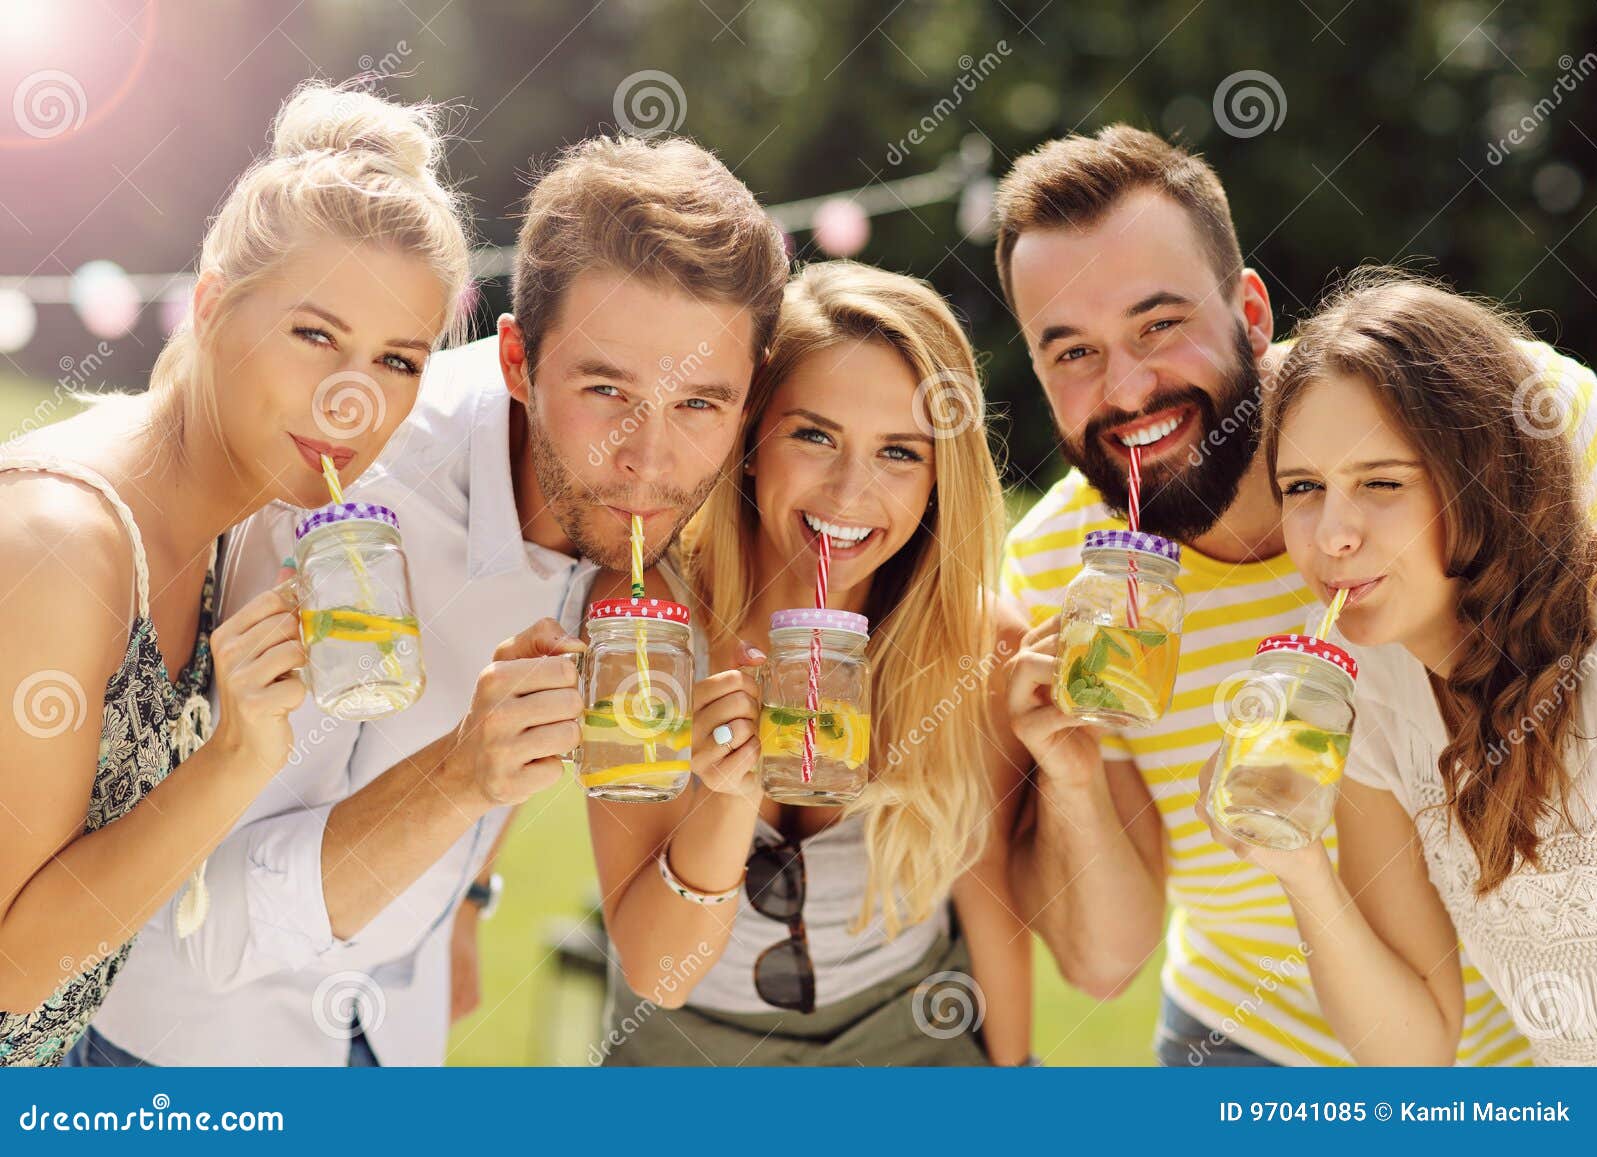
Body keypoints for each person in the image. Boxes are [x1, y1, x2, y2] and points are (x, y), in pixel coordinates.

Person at [66, 128, 788, 1066]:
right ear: (518, 361)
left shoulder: (658, 546)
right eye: (606, 389)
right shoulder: (343, 484)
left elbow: (664, 961)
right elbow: (205, 918)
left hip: (397, 1038)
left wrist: (473, 887)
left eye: (700, 402)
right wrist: (457, 781)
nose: (649, 459)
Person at [995, 124, 1597, 1066]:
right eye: (1070, 351)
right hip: (1247, 1048)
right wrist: (1069, 778)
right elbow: (1105, 964)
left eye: (1159, 324)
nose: (1128, 387)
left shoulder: (1500, 420)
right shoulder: (1054, 574)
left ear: (1251, 310)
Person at [0, 80, 471, 1067]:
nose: (351, 400)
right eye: (315, 336)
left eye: (396, 360)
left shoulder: (247, 516)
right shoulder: (62, 544)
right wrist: (238, 757)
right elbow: (10, 967)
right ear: (212, 304)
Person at [587, 260, 1033, 1066]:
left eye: (900, 452)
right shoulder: (645, 626)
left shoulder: (974, 644)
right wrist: (729, 791)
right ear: (751, 440)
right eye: (815, 435)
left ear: (938, 480)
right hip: (684, 1054)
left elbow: (987, 881)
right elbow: (660, 969)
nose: (850, 490)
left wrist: (1018, 1080)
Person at [1197, 270, 1597, 1066]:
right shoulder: (1369, 695)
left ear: (1486, 477)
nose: (1333, 533)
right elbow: (1412, 1050)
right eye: (1304, 487)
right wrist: (1299, 864)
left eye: (1381, 482)